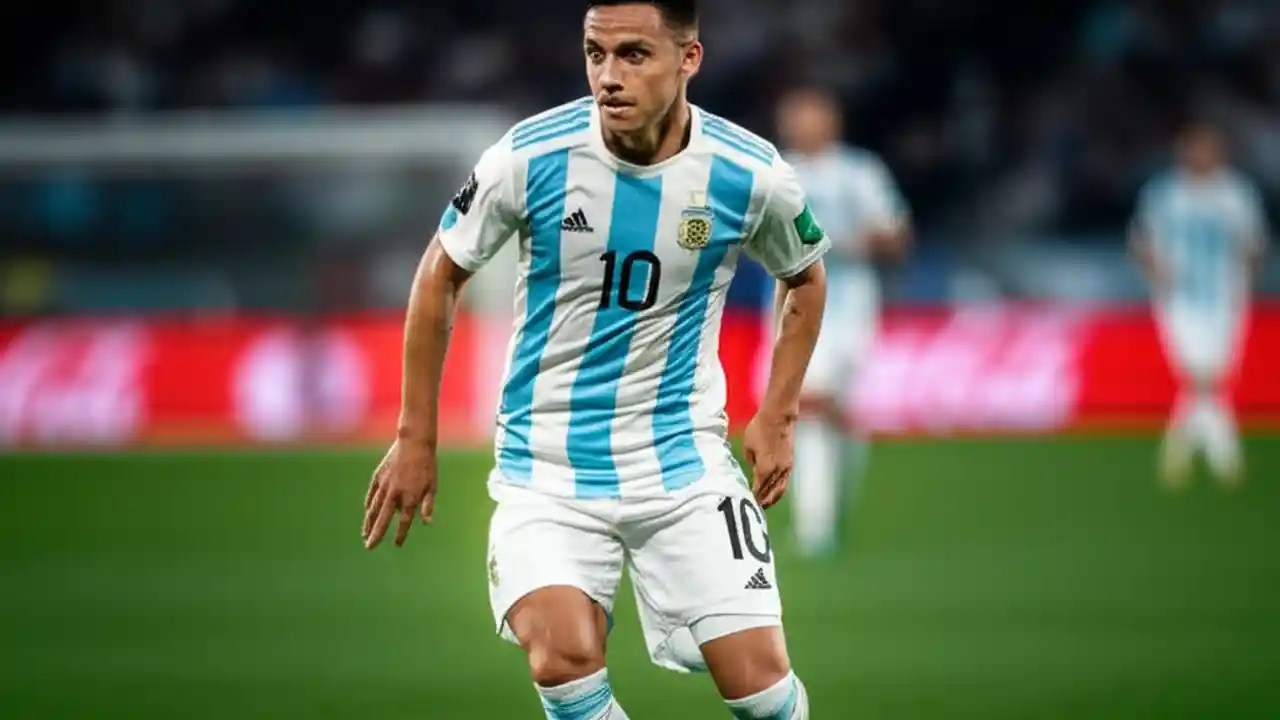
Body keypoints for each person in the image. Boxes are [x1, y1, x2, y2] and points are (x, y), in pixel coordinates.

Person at [362, 1, 829, 717]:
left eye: (634, 55)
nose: (607, 77)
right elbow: (440, 272)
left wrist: (779, 412)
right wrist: (414, 434)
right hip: (546, 467)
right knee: (562, 657)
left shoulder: (750, 174)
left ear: (689, 60)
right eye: (595, 53)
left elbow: (805, 277)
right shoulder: (530, 156)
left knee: (762, 693)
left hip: (681, 460)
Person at [775, 88, 911, 557]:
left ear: (832, 121)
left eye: (810, 116)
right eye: (794, 116)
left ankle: (821, 520)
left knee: (818, 407)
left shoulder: (860, 172)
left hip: (849, 307)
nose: (801, 125)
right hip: (791, 307)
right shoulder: (776, 170)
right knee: (806, 408)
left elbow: (897, 235)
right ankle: (818, 525)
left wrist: (851, 242)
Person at [1131, 121, 1269, 489]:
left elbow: (1254, 241)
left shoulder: (1236, 194)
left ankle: (1179, 451)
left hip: (1225, 297)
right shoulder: (1163, 194)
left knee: (1213, 376)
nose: (1200, 155)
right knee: (1199, 375)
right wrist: (1155, 268)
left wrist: (1250, 266)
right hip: (1179, 299)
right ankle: (1224, 457)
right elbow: (1141, 241)